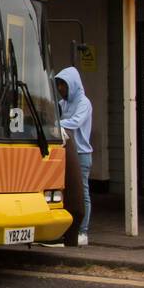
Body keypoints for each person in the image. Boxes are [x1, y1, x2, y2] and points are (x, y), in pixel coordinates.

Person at [56, 67, 94, 246]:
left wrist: (54, 124)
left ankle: (82, 232)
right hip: (67, 153)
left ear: (72, 85)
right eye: (58, 85)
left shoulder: (83, 103)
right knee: (66, 192)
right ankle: (66, 230)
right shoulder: (63, 103)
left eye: (63, 85)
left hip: (81, 153)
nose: (60, 89)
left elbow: (75, 122)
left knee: (83, 193)